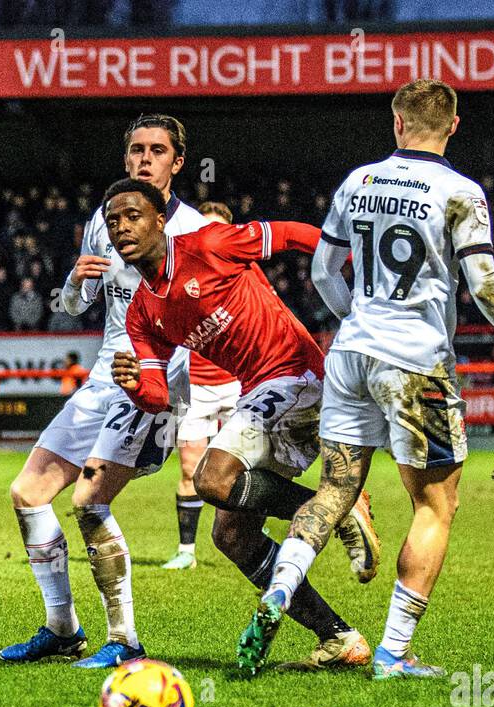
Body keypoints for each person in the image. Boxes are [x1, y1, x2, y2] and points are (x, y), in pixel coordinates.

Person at [242, 78, 494, 677]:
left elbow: (321, 271)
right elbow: (485, 283)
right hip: (414, 364)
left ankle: (282, 588)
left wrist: (358, 321)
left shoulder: (358, 181)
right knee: (434, 505)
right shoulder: (459, 191)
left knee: (337, 489)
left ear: (396, 123)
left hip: (349, 354)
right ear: (454, 126)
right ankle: (393, 652)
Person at [106, 177, 379, 673]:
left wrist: (360, 276)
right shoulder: (143, 314)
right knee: (230, 536)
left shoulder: (209, 244)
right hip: (261, 390)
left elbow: (294, 234)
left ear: (160, 221)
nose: (122, 227)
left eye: (133, 216)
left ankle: (335, 506)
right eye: (113, 222)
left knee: (211, 478)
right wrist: (131, 385)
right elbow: (158, 397)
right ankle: (338, 637)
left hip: (297, 372)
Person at [0, 115, 208, 669]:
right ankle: (62, 627)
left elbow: (211, 317)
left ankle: (126, 640)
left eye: (157, 151)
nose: (145, 159)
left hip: (153, 379)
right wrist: (72, 283)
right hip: (102, 376)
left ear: (177, 163)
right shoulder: (104, 221)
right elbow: (74, 309)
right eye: (137, 149)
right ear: (125, 160)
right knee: (27, 494)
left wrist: (168, 383)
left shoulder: (193, 231)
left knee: (90, 501)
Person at [161, 201, 242, 570]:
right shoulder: (178, 277)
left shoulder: (244, 274)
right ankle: (187, 552)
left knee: (244, 467)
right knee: (191, 469)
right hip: (196, 390)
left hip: (241, 385)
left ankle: (244, 539)